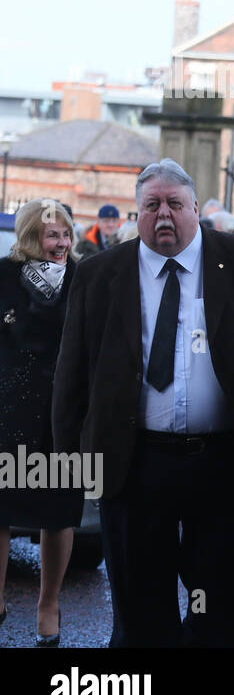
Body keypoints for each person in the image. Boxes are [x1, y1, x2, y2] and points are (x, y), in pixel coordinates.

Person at [52, 159, 234, 647]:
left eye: (175, 204)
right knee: (141, 611)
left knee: (225, 605)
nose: (164, 215)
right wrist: (71, 463)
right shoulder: (101, 274)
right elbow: (72, 374)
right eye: (152, 205)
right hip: (135, 464)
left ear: (196, 210)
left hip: (231, 465)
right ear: (136, 213)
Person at [0, 199, 82, 645]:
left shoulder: (81, 278)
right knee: (1, 507)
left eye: (67, 235)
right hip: (8, 407)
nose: (62, 243)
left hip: (63, 412)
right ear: (32, 236)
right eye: (53, 235)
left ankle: (48, 604)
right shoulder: (3, 274)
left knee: (60, 509)